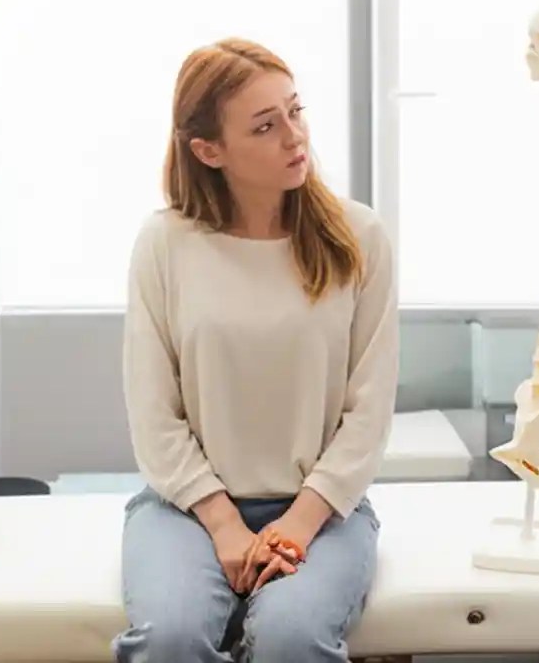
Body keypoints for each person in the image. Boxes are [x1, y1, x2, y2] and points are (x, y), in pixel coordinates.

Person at [113, 38, 398, 662]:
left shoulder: (359, 237)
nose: (294, 137)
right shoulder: (166, 243)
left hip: (324, 511)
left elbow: (369, 410)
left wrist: (296, 526)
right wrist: (224, 526)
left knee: (291, 637)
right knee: (170, 639)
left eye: (296, 112)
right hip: (184, 509)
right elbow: (154, 412)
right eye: (266, 127)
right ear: (209, 151)